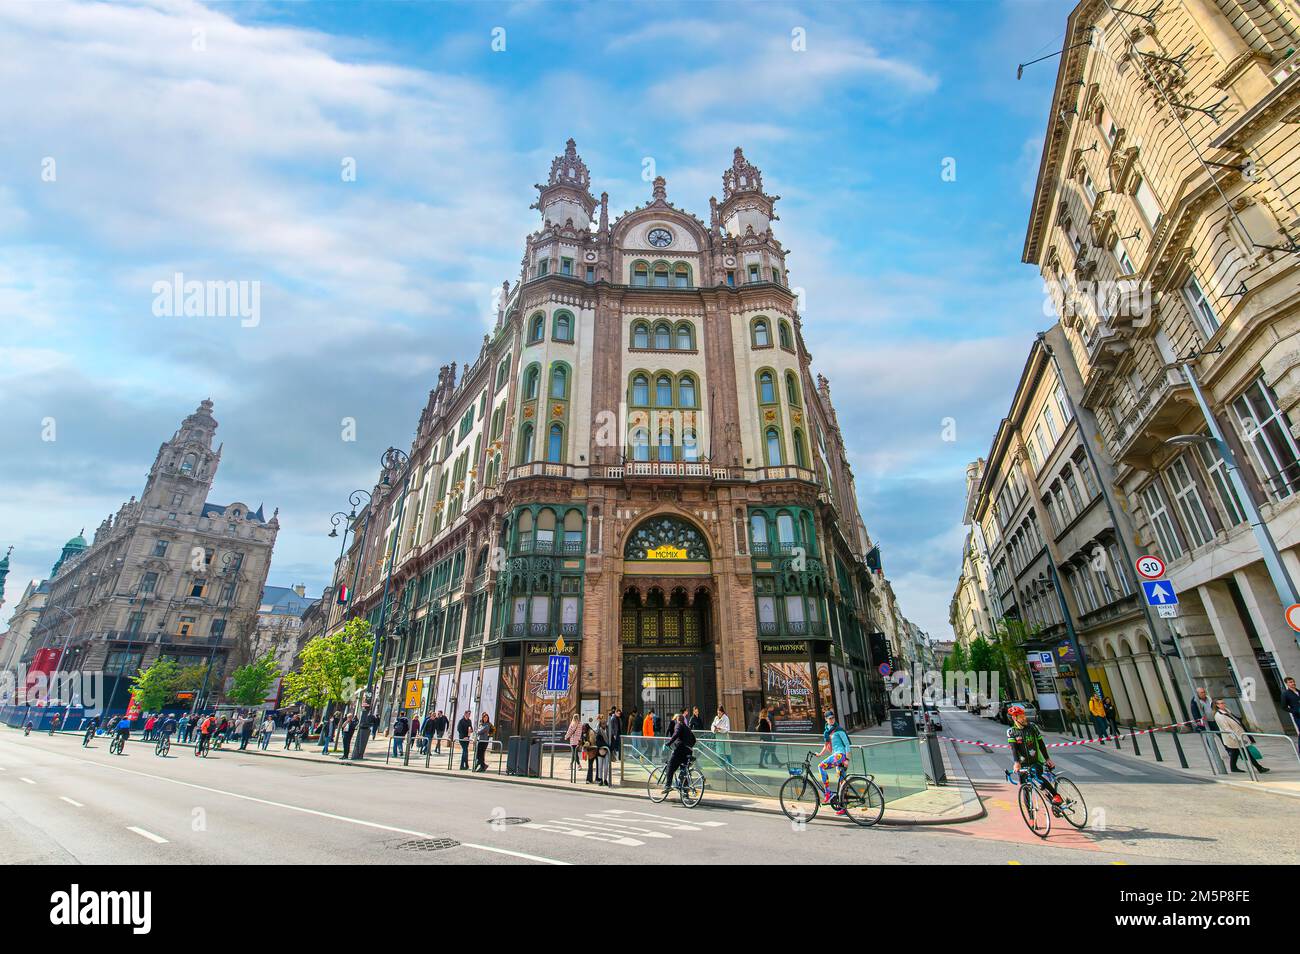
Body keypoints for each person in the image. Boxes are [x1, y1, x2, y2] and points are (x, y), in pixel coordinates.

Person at [1006, 704, 1062, 805]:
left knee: (1036, 775)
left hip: (1035, 761)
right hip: (1022, 764)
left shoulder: (1032, 727)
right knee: (1025, 789)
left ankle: (1055, 795)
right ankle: (1031, 818)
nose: (1024, 718)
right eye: (1021, 716)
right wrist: (1016, 763)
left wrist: (1047, 759)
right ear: (1014, 718)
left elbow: (1041, 744)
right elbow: (1014, 749)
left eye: (1024, 715)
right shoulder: (1011, 732)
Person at [1213, 701, 1269, 773]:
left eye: (1223, 702)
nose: (1223, 704)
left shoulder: (1227, 711)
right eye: (1221, 703)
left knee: (1235, 752)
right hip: (1234, 737)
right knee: (1246, 752)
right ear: (1217, 705)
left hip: (1238, 735)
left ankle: (1233, 768)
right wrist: (1237, 738)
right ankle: (1259, 768)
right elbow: (1227, 729)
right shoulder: (1219, 715)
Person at [816, 711, 851, 813]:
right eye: (829, 718)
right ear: (826, 719)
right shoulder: (828, 731)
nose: (832, 720)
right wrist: (820, 754)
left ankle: (828, 793)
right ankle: (843, 807)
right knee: (842, 782)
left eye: (833, 718)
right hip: (836, 756)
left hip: (840, 755)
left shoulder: (839, 730)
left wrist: (847, 759)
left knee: (821, 766)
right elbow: (826, 745)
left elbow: (847, 745)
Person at [660, 707, 695, 794]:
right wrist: (689, 746)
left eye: (676, 720)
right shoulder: (687, 728)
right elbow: (694, 740)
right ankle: (685, 792)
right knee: (684, 770)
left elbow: (676, 734)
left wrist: (669, 743)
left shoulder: (678, 725)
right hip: (688, 751)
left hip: (680, 750)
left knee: (670, 766)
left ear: (678, 720)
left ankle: (668, 785)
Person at [1282, 677, 1300, 755]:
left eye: (1293, 682)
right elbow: (1283, 707)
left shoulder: (1299, 691)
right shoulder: (1285, 694)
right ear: (1287, 684)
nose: (1293, 683)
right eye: (1290, 682)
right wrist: (1295, 711)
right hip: (1298, 716)